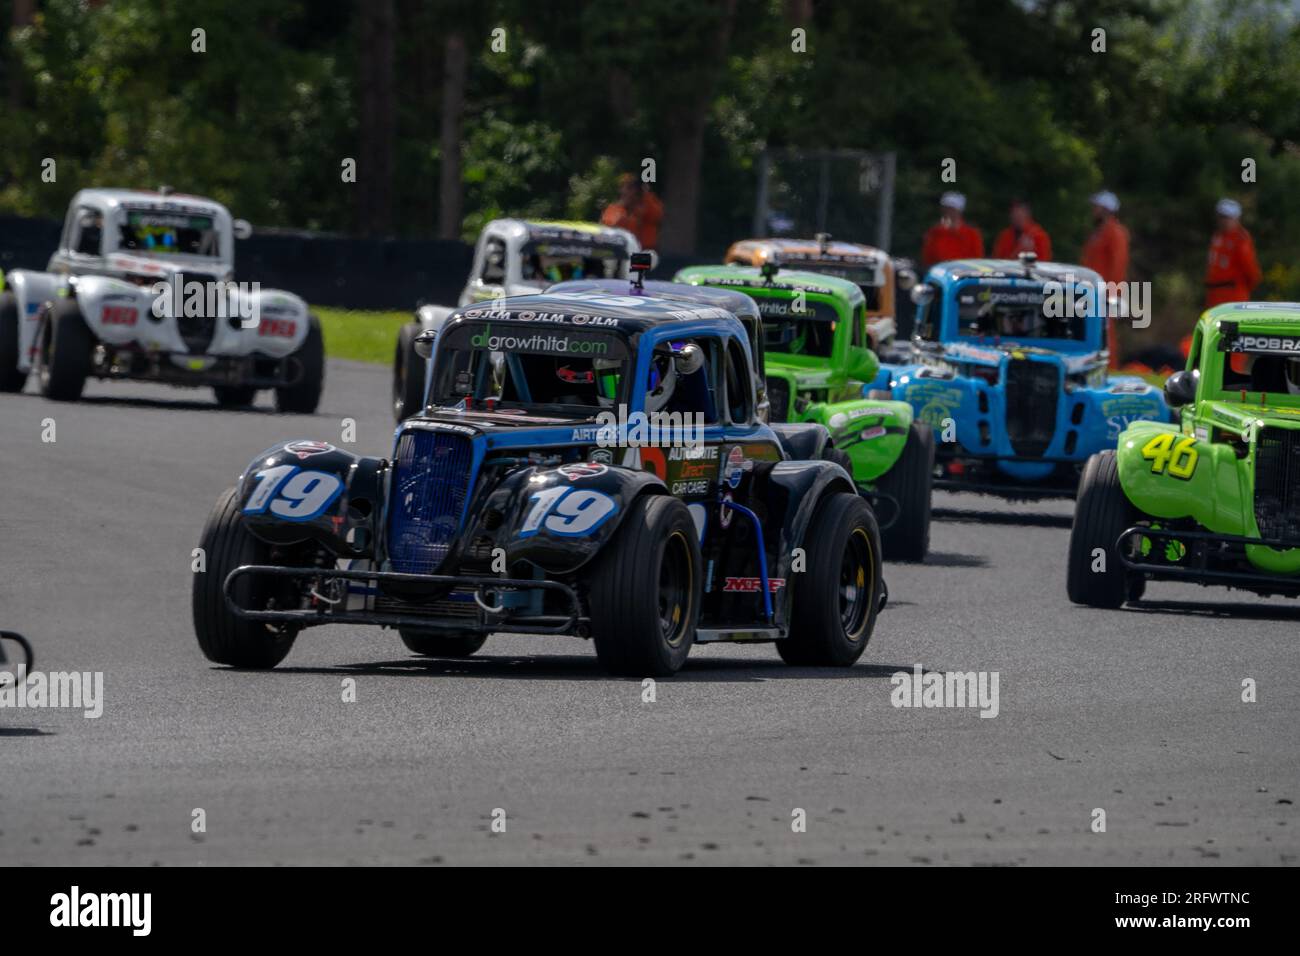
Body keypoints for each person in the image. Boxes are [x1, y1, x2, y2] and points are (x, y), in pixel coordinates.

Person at [1080, 191, 1130, 368]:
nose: (1093, 210)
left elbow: (1118, 266)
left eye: (1097, 207)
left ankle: (1110, 367)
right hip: (1091, 291)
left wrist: (1111, 294)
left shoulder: (1115, 233)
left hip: (1104, 293)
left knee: (1106, 333)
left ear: (1106, 209)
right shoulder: (1098, 233)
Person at [1204, 198, 1260, 308]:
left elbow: (1250, 270)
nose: (1224, 221)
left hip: (1233, 296)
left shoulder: (1240, 239)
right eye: (1222, 217)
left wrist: (1244, 288)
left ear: (1237, 219)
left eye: (1228, 217)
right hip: (1214, 296)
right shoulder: (1217, 237)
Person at [920, 191, 984, 269]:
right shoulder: (934, 232)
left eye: (952, 209)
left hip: (964, 274)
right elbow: (927, 259)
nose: (948, 212)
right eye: (945, 208)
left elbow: (977, 260)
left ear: (959, 211)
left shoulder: (972, 233)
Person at [601, 173, 664, 250]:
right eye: (624, 187)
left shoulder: (648, 205)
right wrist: (622, 207)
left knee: (644, 260)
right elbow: (607, 225)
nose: (626, 191)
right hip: (620, 251)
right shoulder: (615, 209)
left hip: (644, 251)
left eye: (631, 188)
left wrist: (647, 195)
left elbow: (658, 216)